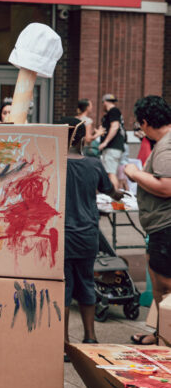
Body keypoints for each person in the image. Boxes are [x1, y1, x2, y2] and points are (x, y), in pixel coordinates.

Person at [59, 117, 123, 361]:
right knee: (86, 283)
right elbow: (110, 190)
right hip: (87, 235)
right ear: (81, 138)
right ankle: (90, 338)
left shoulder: (54, 165)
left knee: (63, 288)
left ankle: (63, 344)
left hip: (63, 235)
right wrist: (119, 193)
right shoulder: (94, 164)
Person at [123, 96, 171, 345]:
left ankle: (166, 338)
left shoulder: (165, 146)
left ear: (145, 122)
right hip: (160, 226)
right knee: (160, 285)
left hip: (165, 226)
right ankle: (161, 334)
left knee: (164, 285)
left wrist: (134, 173)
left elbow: (166, 187)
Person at [99, 94, 126, 190]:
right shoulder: (113, 112)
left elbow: (115, 126)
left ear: (104, 102)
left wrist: (105, 142)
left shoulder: (113, 111)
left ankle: (114, 196)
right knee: (111, 172)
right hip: (115, 147)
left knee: (110, 173)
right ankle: (114, 195)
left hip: (112, 147)